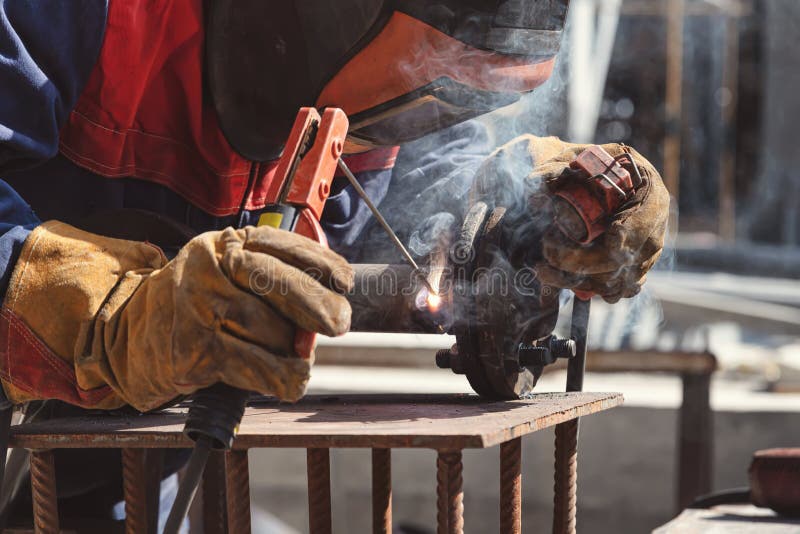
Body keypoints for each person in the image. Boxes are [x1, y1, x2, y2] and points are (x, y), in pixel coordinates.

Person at [0, 0, 668, 522]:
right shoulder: (80, 14)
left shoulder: (391, 72)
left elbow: (412, 187)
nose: (408, 118)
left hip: (107, 480)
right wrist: (110, 319)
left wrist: (509, 213)